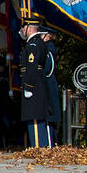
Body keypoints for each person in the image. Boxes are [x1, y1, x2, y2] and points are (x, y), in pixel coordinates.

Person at [19, 20, 58, 148]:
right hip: (36, 84)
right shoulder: (36, 43)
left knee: (35, 118)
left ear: (29, 28)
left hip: (34, 86)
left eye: (24, 27)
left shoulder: (33, 44)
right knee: (36, 117)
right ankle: (41, 147)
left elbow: (32, 66)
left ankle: (39, 148)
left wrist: (28, 86)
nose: (22, 30)